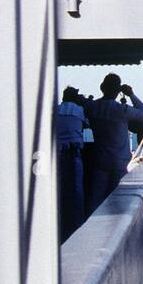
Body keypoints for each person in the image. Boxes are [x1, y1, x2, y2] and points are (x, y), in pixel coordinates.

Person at [82, 73, 143, 213]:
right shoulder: (121, 110)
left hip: (99, 159)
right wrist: (131, 94)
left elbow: (85, 108)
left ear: (102, 88)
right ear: (118, 90)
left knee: (95, 200)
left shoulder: (92, 107)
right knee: (118, 200)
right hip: (118, 161)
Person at [55, 86, 89, 239]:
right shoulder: (78, 110)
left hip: (58, 154)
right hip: (74, 153)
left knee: (60, 191)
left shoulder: (56, 110)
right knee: (76, 191)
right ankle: (78, 225)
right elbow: (87, 124)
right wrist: (85, 102)